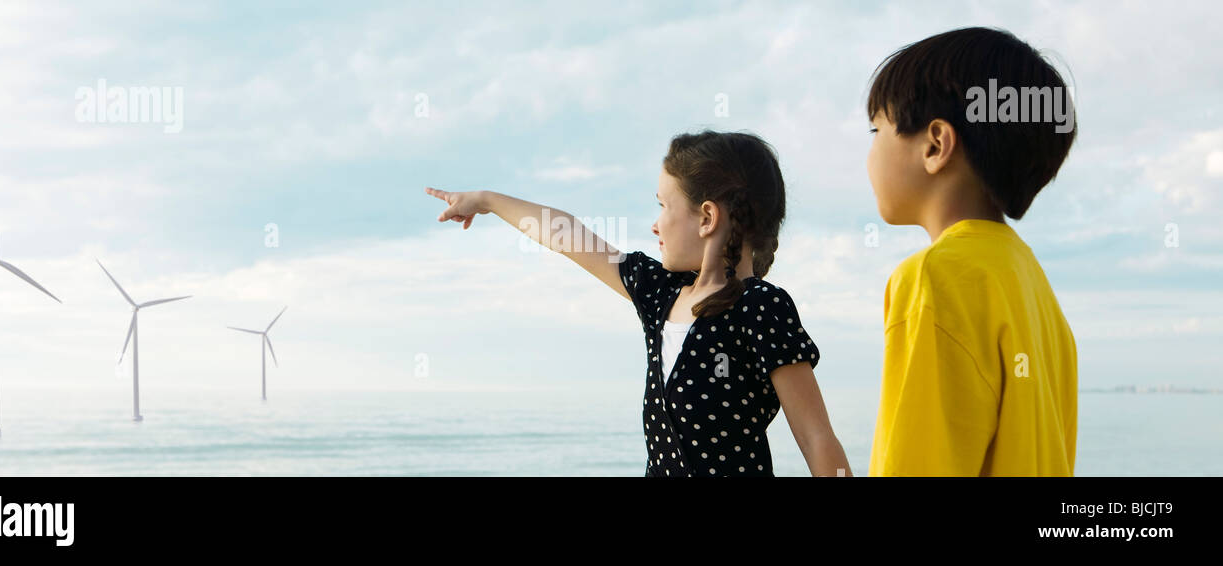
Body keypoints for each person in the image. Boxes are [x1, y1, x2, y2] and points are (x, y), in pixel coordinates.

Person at [425, 130, 850, 477]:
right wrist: (487, 201)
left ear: (707, 218)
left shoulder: (762, 307)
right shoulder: (660, 293)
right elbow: (566, 236)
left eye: (664, 206)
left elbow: (817, 439)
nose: (655, 223)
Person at [863, 27, 1079, 476]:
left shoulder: (935, 278)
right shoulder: (1031, 285)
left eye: (876, 129)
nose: (869, 151)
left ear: (935, 144)